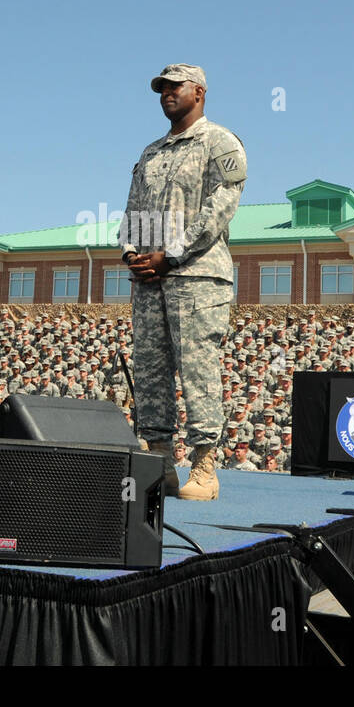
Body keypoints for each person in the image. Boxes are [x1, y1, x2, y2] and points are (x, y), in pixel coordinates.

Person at [119, 63, 246, 501]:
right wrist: (131, 254)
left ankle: (205, 468)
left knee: (198, 370)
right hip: (149, 281)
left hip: (196, 276)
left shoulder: (220, 143)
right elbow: (133, 208)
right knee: (151, 371)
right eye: (162, 89)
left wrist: (170, 256)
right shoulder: (151, 152)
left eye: (176, 87)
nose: (167, 94)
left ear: (200, 92)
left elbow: (220, 208)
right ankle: (160, 462)